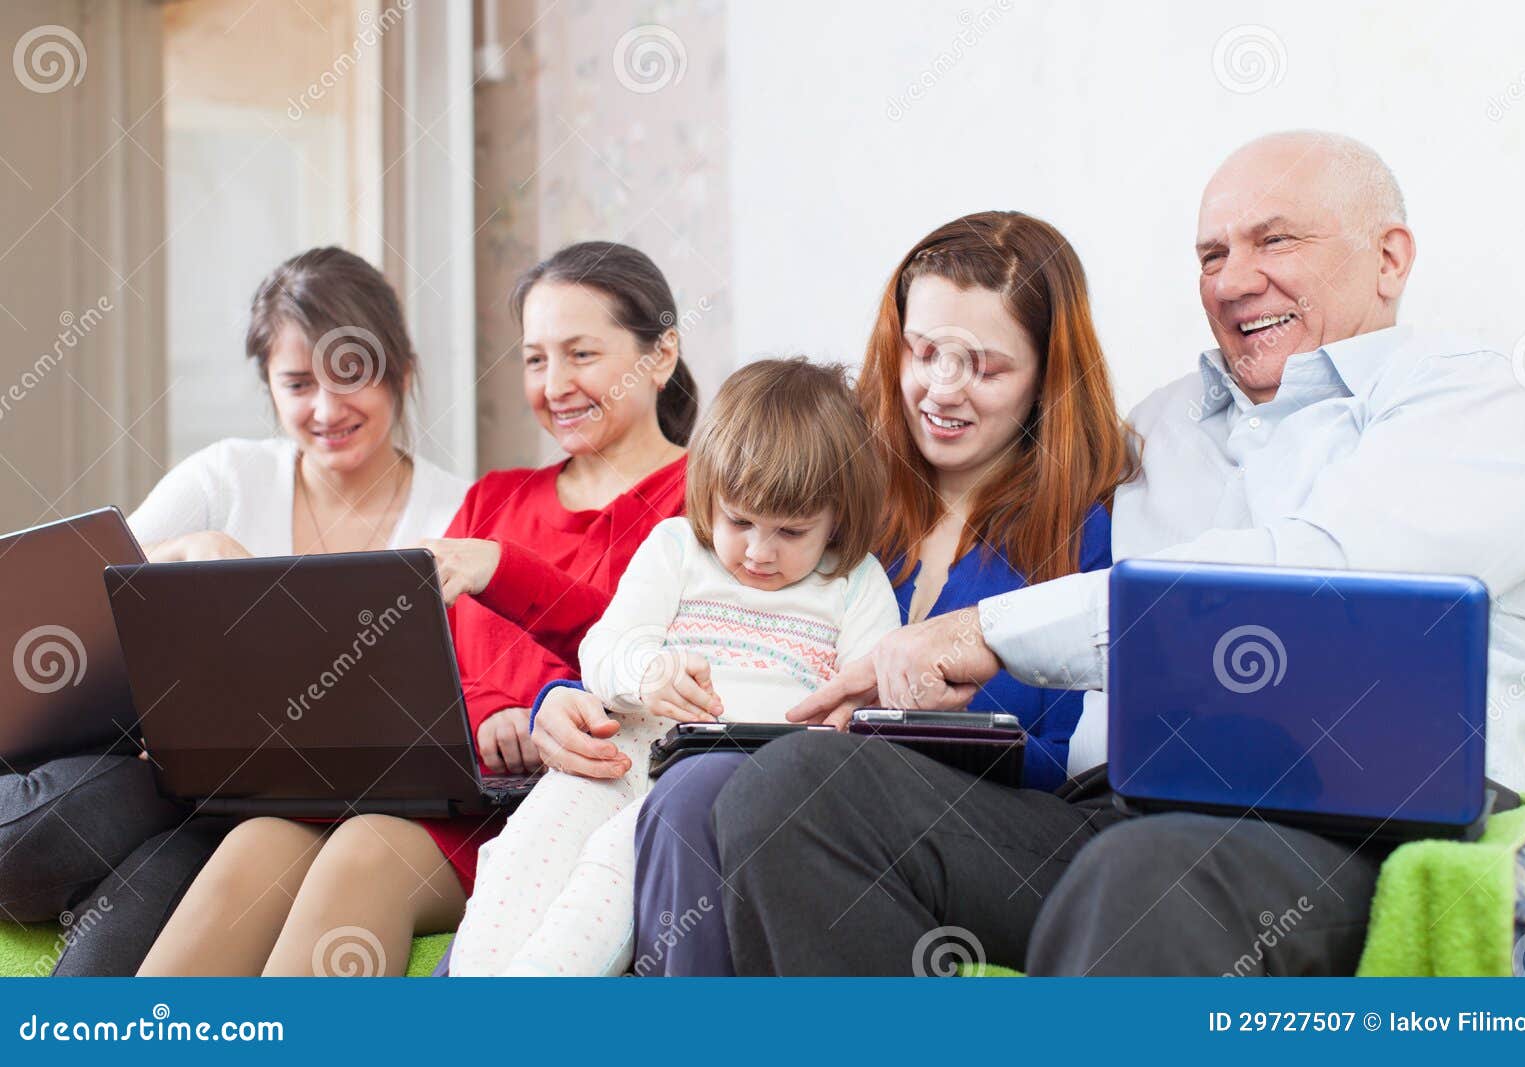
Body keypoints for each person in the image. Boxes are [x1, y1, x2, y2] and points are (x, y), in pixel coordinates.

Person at [709, 131, 1525, 976]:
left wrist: (982, 630)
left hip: (1345, 818)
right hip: (1107, 813)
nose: (1235, 281)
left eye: (1273, 240)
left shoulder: (1474, 402)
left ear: (1390, 257)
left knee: (1144, 876)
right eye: (1212, 256)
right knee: (791, 792)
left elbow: (1322, 575)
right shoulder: (1154, 429)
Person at [137, 241, 699, 976]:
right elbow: (435, 662)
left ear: (660, 356)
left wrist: (521, 638)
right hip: (448, 779)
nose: (555, 383)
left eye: (582, 354)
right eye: (534, 360)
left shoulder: (709, 508)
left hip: (553, 805)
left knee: (362, 856)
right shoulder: (494, 499)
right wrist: (502, 703)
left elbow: (638, 652)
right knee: (254, 843)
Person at [599, 209, 1137, 974]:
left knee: (735, 789)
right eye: (923, 352)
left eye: (984, 367)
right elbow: (668, 594)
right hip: (772, 770)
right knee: (698, 788)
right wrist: (561, 692)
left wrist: (950, 724)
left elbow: (1081, 761)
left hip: (981, 825)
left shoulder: (1088, 528)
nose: (941, 390)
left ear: (1048, 374)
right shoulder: (828, 484)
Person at [0, 247, 467, 976]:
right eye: (297, 382)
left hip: (291, 812)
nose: (325, 408)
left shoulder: (457, 513)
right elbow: (94, 589)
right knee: (36, 847)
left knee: (106, 929)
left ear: (401, 370)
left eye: (353, 375)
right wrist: (195, 547)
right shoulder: (228, 475)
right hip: (176, 782)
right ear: (268, 387)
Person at [451, 358, 900, 976]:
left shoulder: (855, 583)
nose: (758, 552)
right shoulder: (676, 548)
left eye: (792, 532)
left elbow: (872, 707)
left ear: (838, 522)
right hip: (620, 754)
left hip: (719, 789)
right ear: (709, 492)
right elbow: (603, 650)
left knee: (612, 869)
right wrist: (647, 674)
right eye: (739, 520)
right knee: (518, 855)